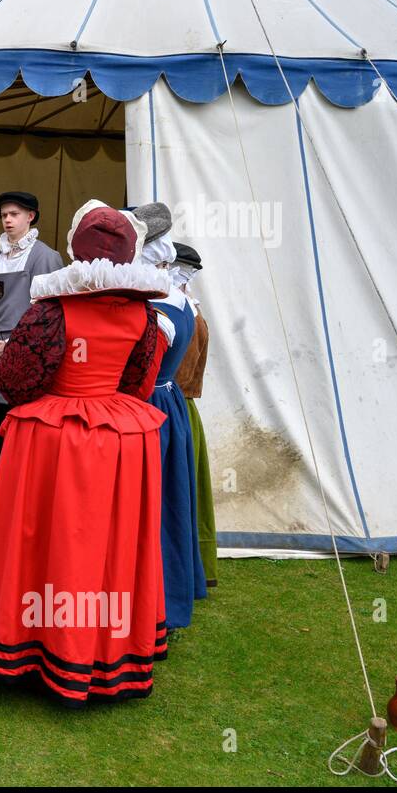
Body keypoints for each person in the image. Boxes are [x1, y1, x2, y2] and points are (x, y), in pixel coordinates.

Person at [0, 200, 173, 705]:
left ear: (76, 249)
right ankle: (100, 647)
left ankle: (30, 643)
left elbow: (17, 380)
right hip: (119, 441)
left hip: (54, 440)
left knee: (42, 540)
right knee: (105, 544)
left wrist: (63, 394)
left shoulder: (50, 310)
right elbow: (139, 384)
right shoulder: (144, 314)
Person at [0, 191, 63, 496]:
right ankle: (0, 477)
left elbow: (48, 309)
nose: (7, 220)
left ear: (30, 216)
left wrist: (16, 344)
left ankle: (25, 482)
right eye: (4, 215)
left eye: (14, 214)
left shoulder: (45, 256)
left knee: (24, 416)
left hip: (25, 350)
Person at [136, 203, 206, 630]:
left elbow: (142, 371)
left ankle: (158, 603)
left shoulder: (159, 303)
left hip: (150, 406)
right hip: (166, 403)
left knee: (155, 507)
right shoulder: (173, 296)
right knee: (166, 504)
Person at [171, 242, 218, 588]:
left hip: (174, 406)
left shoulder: (179, 307)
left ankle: (177, 571)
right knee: (183, 493)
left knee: (175, 494)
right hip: (183, 408)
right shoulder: (190, 307)